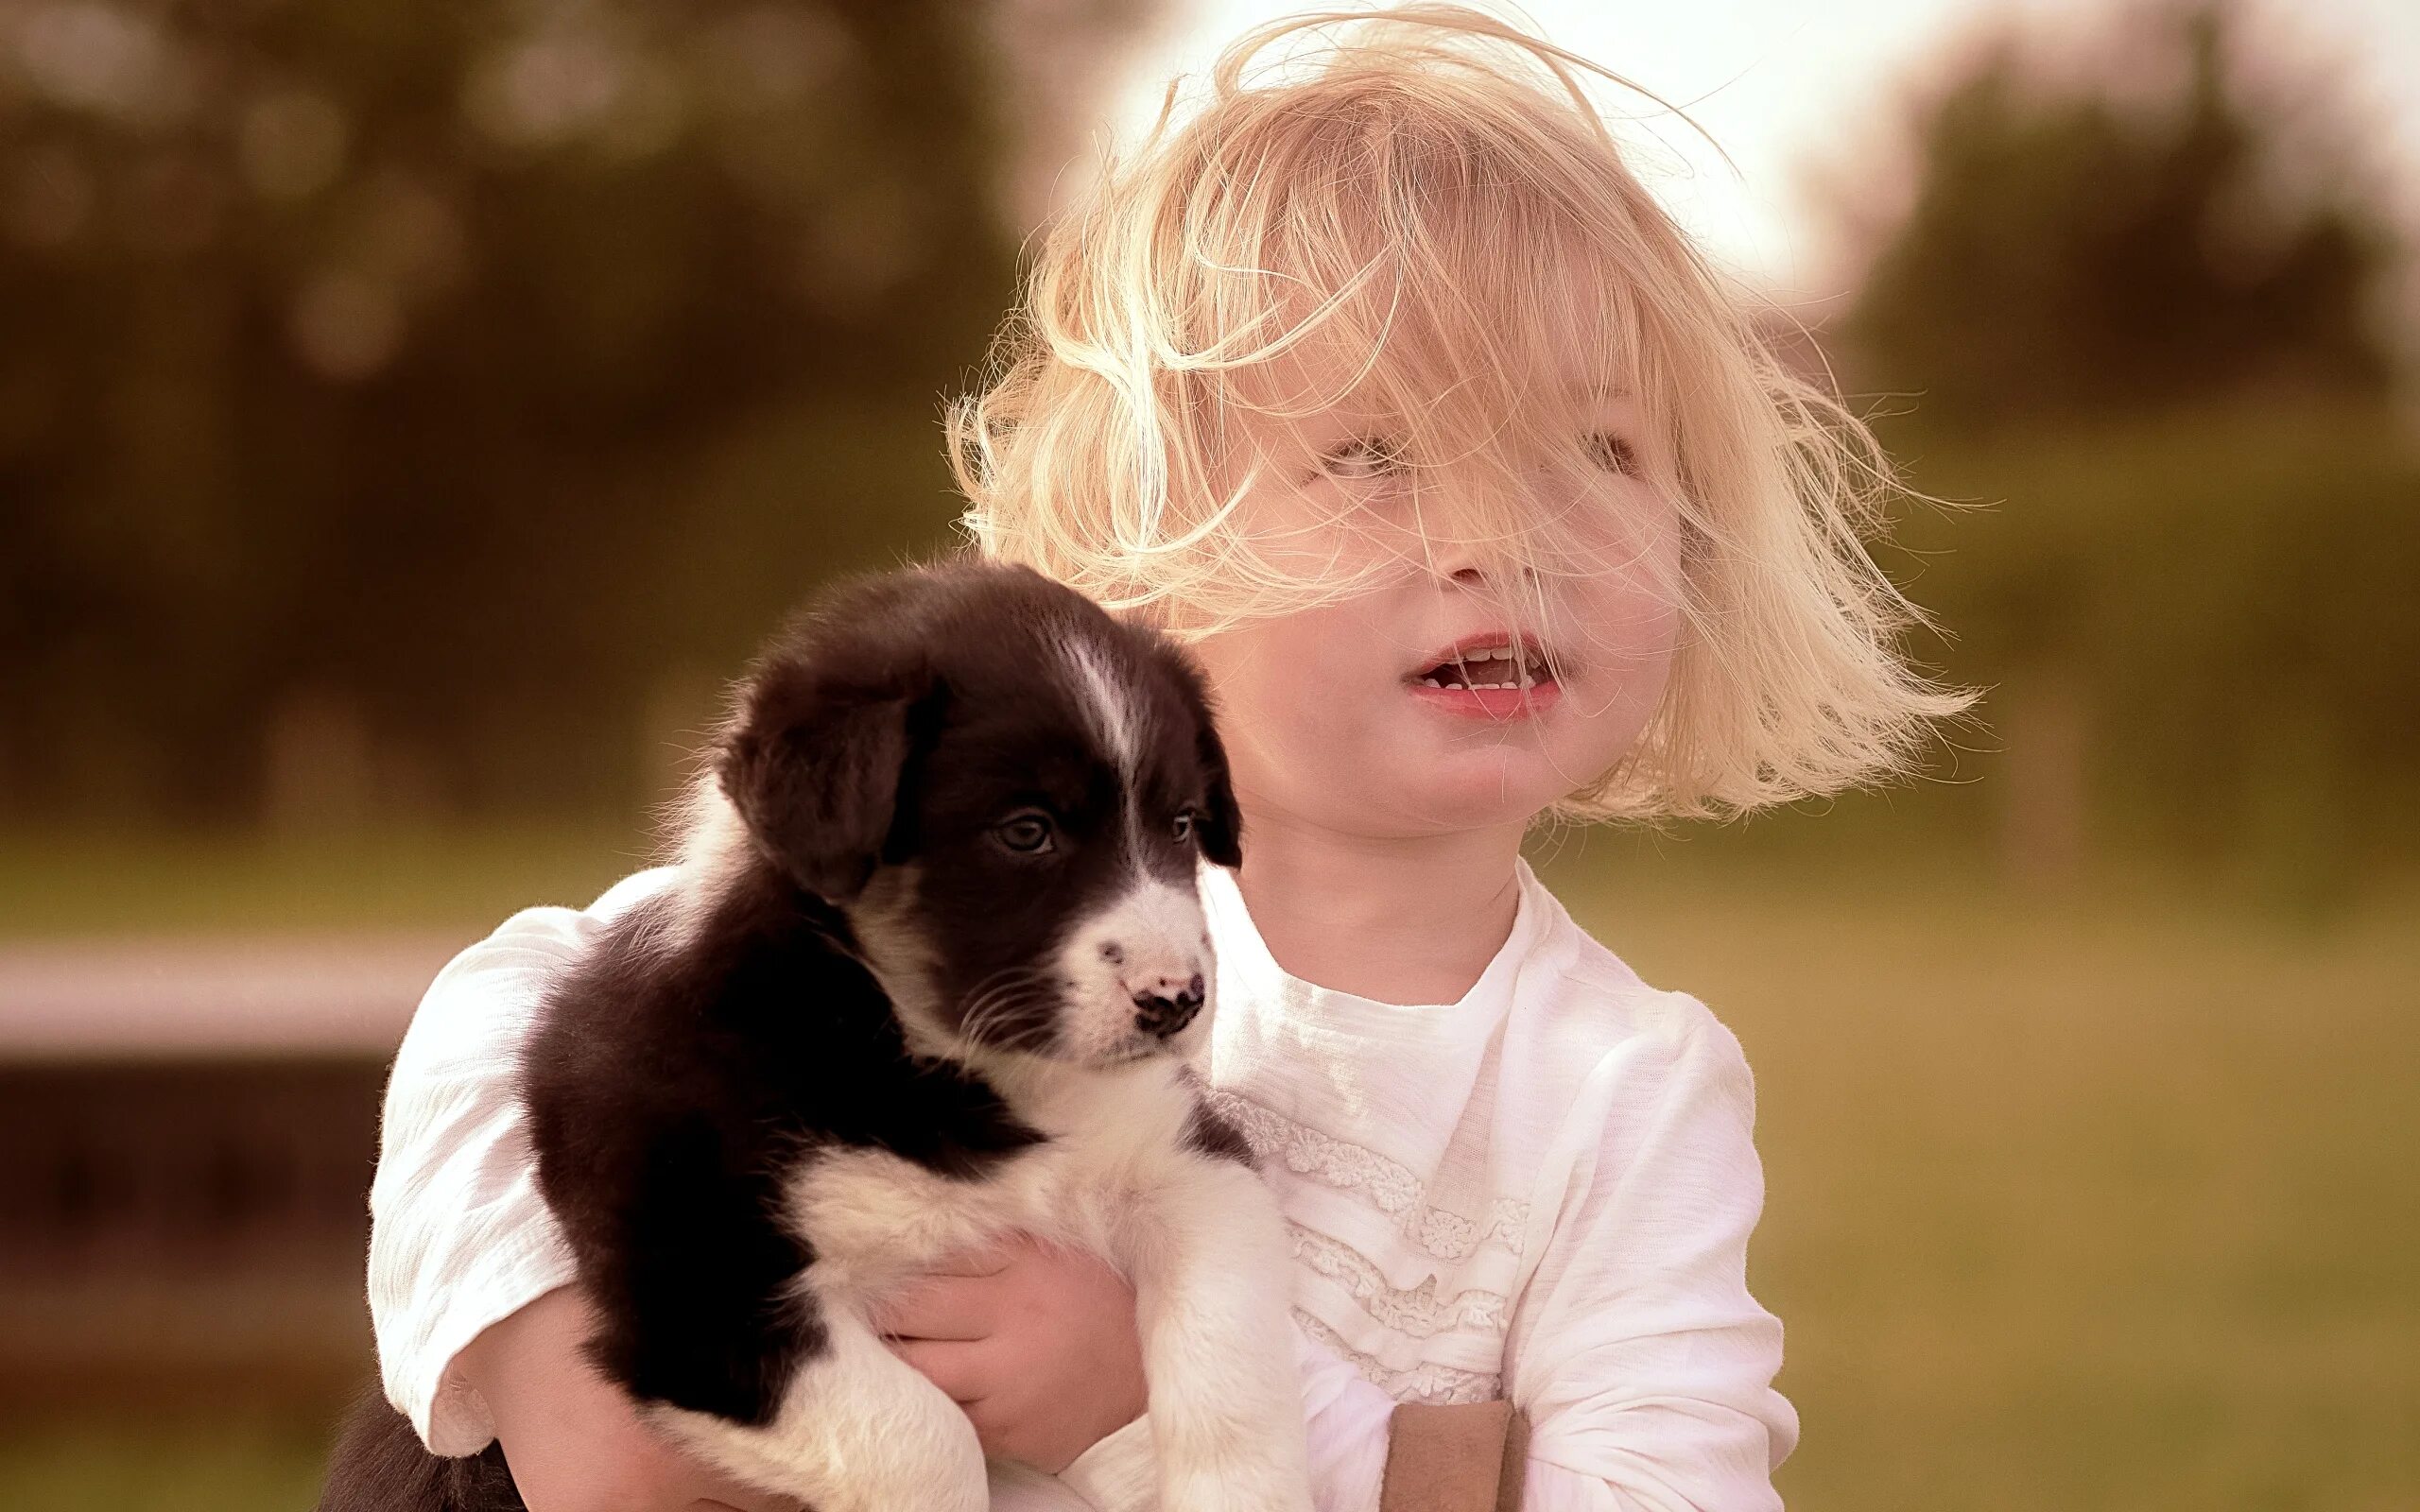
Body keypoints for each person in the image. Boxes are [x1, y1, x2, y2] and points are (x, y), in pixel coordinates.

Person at [366, 8, 1965, 1509]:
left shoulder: (1625, 1096)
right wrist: (542, 1338)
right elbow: (515, 1010)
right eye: (1374, 455)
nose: (1502, 536)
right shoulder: (1003, 903)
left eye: (1600, 448)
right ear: (1159, 546)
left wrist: (1147, 1397)